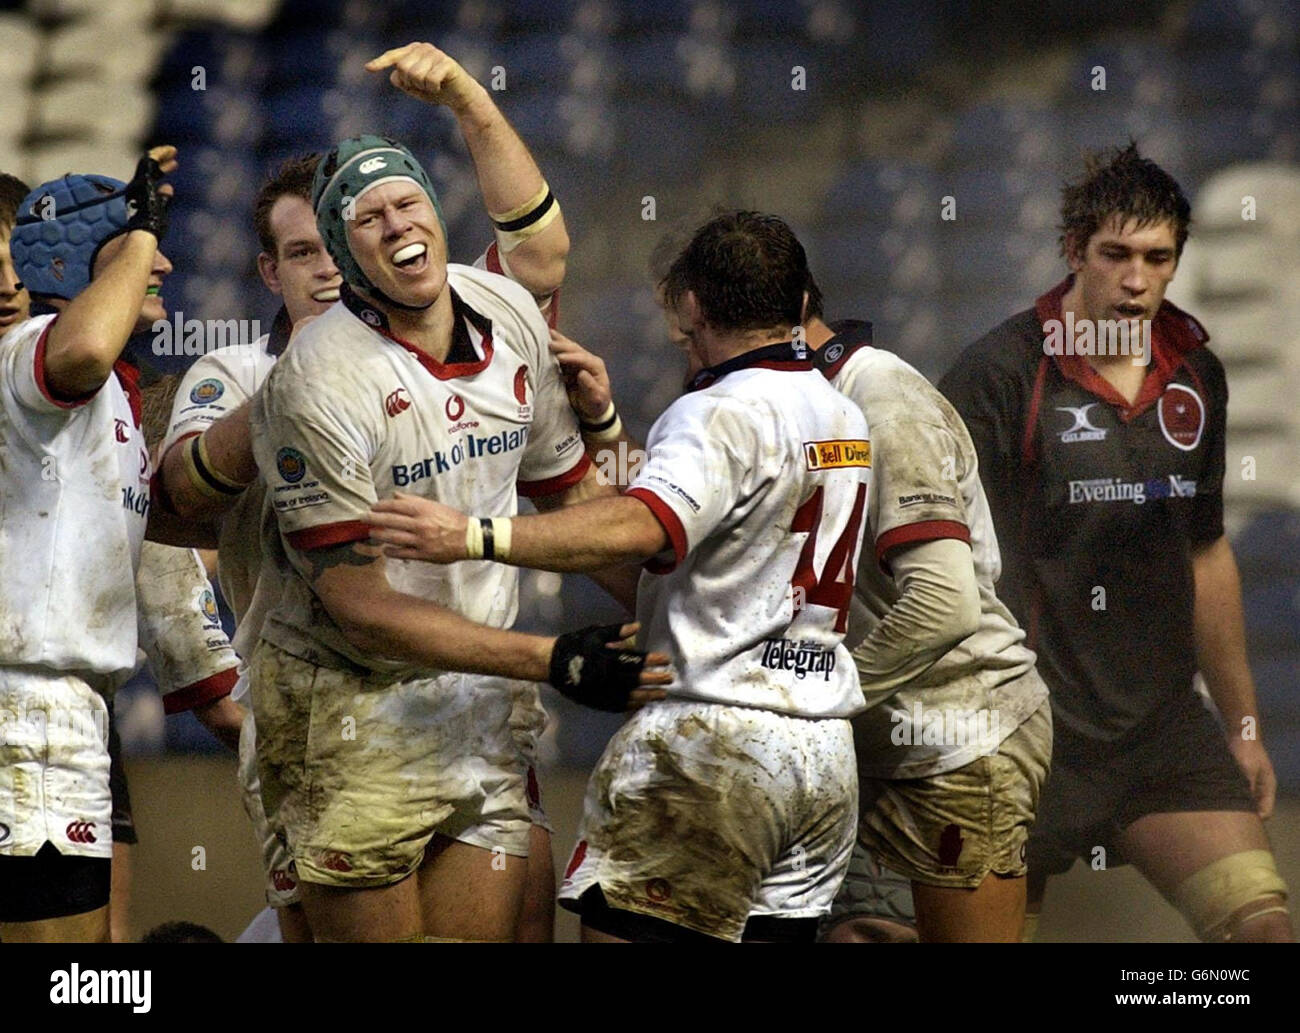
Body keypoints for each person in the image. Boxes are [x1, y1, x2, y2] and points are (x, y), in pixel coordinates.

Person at [160, 42, 582, 941]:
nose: (323, 269)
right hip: (332, 709)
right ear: (272, 271)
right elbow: (168, 512)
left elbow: (537, 250)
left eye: (400, 211)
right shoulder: (248, 374)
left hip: (474, 692)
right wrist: (215, 688)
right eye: (304, 250)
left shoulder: (467, 318)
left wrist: (467, 97)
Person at [366, 211, 873, 943]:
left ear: (690, 309)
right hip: (822, 754)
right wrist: (603, 428)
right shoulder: (840, 411)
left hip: (711, 748)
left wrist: (474, 533)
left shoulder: (716, 411)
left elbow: (646, 526)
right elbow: (690, 543)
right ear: (800, 307)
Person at [246, 127, 668, 943]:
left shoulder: (506, 311)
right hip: (350, 704)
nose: (397, 224)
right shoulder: (315, 381)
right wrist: (553, 660)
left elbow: (570, 492)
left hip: (474, 695)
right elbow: (360, 608)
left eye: (408, 202)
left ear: (437, 214)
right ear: (342, 252)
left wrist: (669, 608)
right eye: (367, 219)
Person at [939, 142, 1292, 942]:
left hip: (1159, 734)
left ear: (1177, 263)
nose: (1136, 279)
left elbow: (1206, 555)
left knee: (1265, 934)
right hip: (1018, 739)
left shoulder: (1198, 373)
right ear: (1075, 252)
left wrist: (1241, 727)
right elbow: (928, 563)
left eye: (1157, 258)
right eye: (1116, 254)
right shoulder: (998, 375)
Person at [800, 295, 1052, 942]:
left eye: (697, 336)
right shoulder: (779, 411)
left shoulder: (880, 398)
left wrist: (813, 698)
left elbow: (945, 605)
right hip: (871, 742)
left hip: (961, 737)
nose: (690, 357)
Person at [0, 147, 177, 942]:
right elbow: (78, 350)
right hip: (20, 706)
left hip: (62, 713)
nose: (159, 261)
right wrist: (137, 229)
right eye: (138, 251)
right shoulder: (29, 351)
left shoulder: (111, 401)